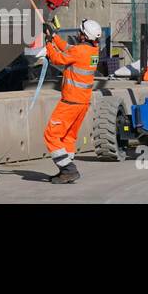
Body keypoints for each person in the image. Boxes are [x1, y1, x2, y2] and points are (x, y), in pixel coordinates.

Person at [40, 18, 101, 184]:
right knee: (68, 137)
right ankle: (65, 171)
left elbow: (58, 59)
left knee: (51, 135)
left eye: (80, 32)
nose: (78, 34)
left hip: (70, 103)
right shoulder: (94, 51)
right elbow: (69, 49)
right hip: (82, 103)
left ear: (83, 36)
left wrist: (48, 43)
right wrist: (54, 36)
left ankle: (68, 169)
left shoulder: (79, 52)